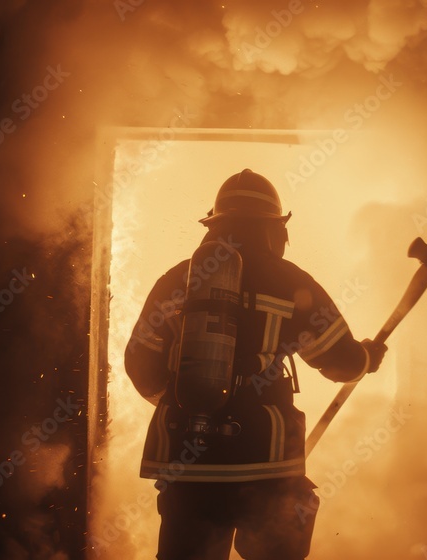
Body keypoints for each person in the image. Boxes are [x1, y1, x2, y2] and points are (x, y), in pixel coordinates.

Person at [125, 169, 387, 559]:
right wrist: (367, 357)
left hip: (186, 465)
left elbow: (139, 364)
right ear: (274, 230)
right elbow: (340, 363)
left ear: (213, 225)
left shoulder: (175, 280)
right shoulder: (290, 281)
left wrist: (191, 402)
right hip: (266, 466)